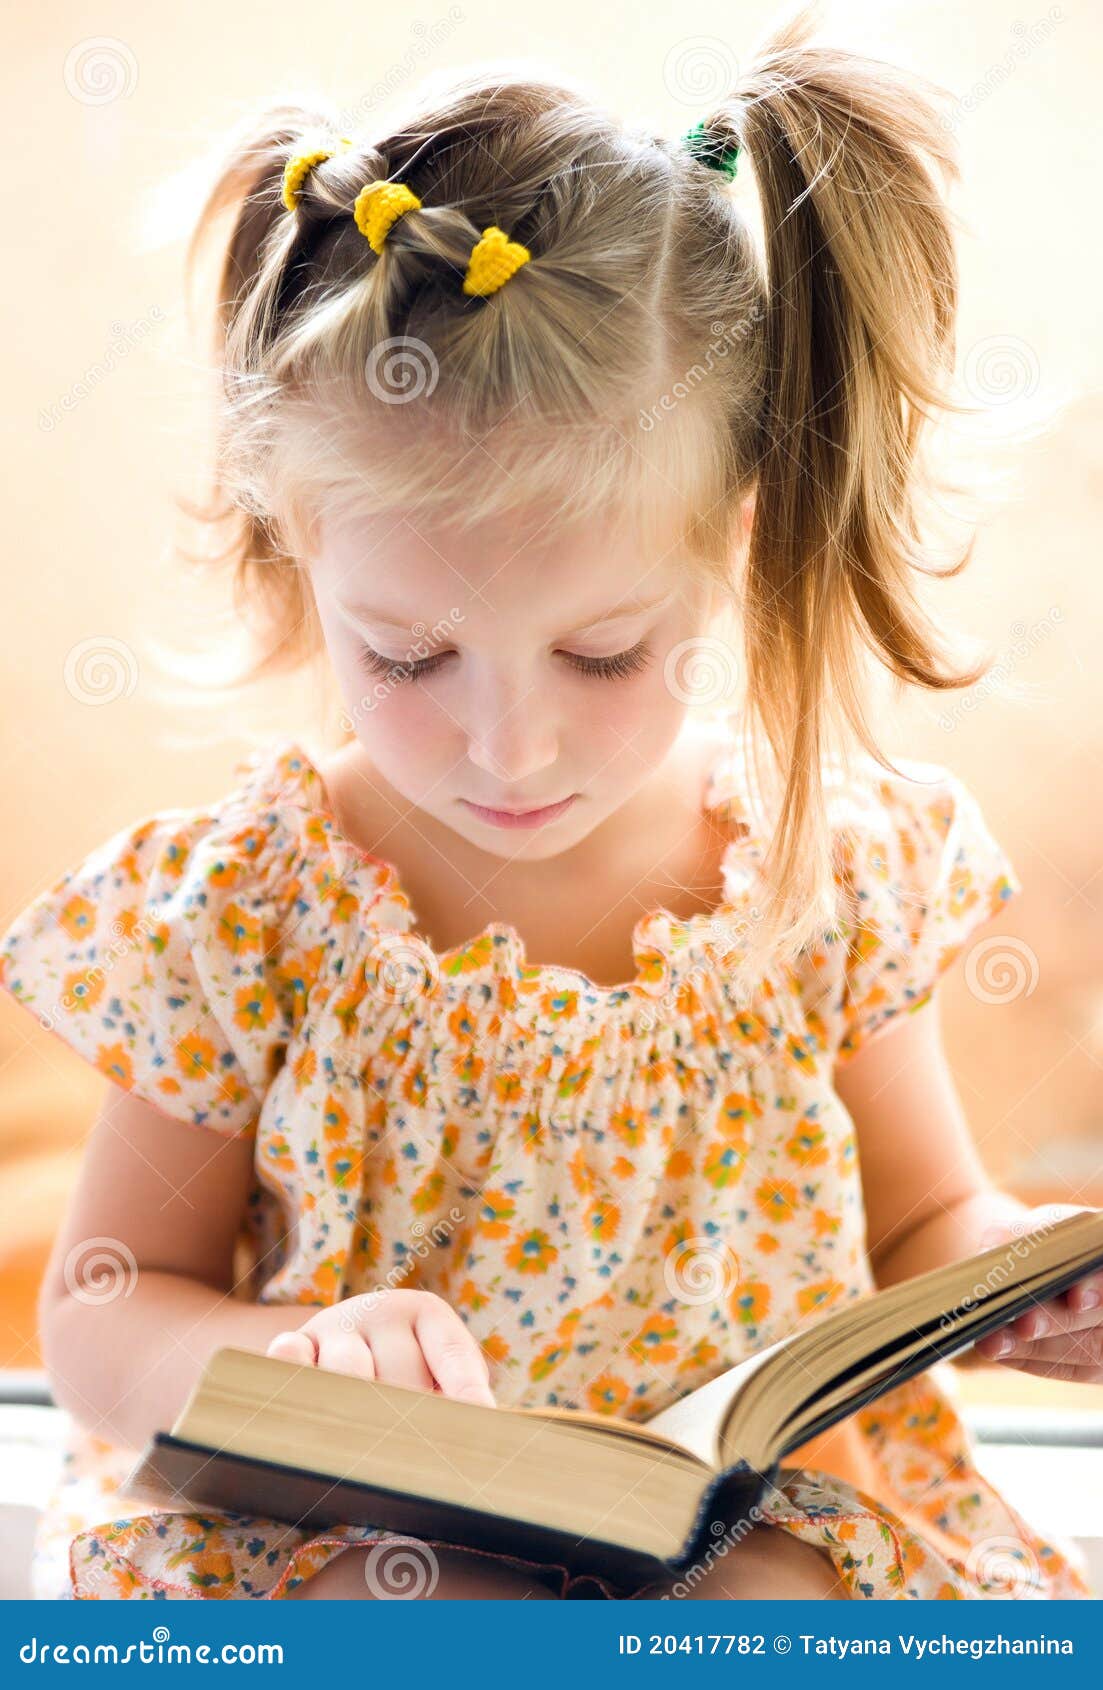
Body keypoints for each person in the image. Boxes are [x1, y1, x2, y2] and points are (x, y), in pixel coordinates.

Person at [3, 7, 1098, 1602]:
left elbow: (930, 1215)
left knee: (779, 1594)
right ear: (299, 547)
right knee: (426, 1591)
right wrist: (291, 1353)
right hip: (356, 1538)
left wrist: (1022, 1290)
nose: (507, 750)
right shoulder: (250, 903)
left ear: (726, 546)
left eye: (601, 654)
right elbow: (103, 1310)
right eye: (409, 653)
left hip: (743, 1528)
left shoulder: (820, 867)